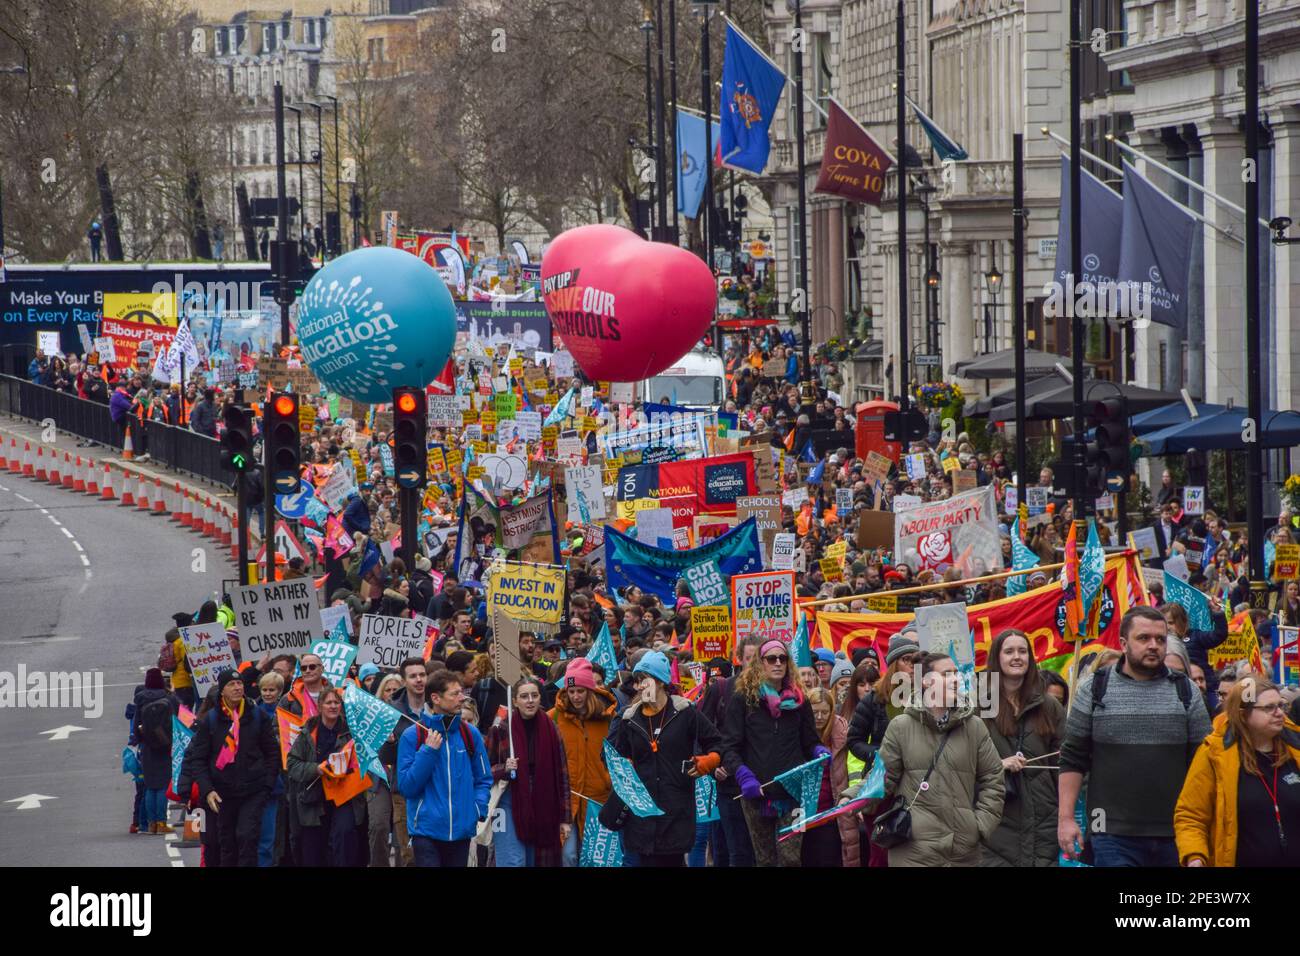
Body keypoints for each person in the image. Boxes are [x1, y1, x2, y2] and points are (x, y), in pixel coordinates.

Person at [1058, 606, 1213, 867]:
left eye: (1160, 639)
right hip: (1110, 832)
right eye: (1144, 638)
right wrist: (1066, 819)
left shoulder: (1185, 690)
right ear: (1123, 643)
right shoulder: (1095, 689)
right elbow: (1073, 758)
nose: (1153, 645)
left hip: (1176, 831)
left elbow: (1205, 762)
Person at [874, 652, 1006, 867]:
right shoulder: (901, 726)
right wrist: (851, 799)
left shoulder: (974, 727)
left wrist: (980, 826)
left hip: (963, 853)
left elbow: (994, 778)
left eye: (956, 674)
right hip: (914, 852)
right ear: (926, 681)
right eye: (946, 674)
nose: (956, 679)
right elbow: (881, 780)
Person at [602, 650, 724, 867]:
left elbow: (717, 742)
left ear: (660, 682)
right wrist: (623, 768)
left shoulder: (685, 712)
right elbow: (610, 755)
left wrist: (709, 761)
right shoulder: (629, 718)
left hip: (675, 809)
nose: (639, 687)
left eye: (644, 680)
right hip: (641, 812)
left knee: (673, 861)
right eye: (637, 681)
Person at [722, 639, 827, 867]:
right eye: (772, 658)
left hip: (793, 792)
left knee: (790, 858)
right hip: (756, 794)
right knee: (765, 860)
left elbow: (810, 741)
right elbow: (729, 747)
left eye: (783, 658)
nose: (778, 663)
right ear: (761, 663)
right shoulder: (743, 699)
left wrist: (818, 751)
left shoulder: (800, 701)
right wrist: (743, 776)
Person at [1175, 677, 1300, 866]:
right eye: (1269, 707)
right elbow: (1191, 816)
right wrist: (1194, 856)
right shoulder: (1214, 754)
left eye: (1281, 705)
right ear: (1243, 714)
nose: (1279, 713)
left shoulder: (1296, 748)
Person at [979, 629, 1063, 867]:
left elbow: (1065, 762)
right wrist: (998, 765)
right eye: (1009, 651)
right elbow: (963, 762)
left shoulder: (1049, 706)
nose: (1017, 657)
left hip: (1043, 819)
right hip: (996, 820)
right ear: (997, 657)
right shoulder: (979, 705)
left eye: (1022, 651)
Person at [396, 669, 493, 867]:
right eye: (455, 694)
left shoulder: (470, 734)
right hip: (425, 831)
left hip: (461, 829)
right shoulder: (412, 735)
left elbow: (483, 778)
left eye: (461, 692)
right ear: (436, 698)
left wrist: (476, 809)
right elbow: (406, 787)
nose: (462, 698)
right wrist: (428, 752)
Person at [186, 669, 280, 867]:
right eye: (231, 685)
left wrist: (266, 786)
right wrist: (208, 790)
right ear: (222, 691)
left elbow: (272, 753)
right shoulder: (210, 720)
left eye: (239, 684)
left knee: (246, 837)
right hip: (221, 794)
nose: (237, 688)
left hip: (253, 791)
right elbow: (198, 759)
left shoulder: (257, 716)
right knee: (225, 844)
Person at [486, 676, 572, 867]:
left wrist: (565, 819)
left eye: (534, 695)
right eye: (524, 696)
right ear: (515, 701)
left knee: (537, 861)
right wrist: (503, 768)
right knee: (513, 862)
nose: (530, 700)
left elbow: (562, 776)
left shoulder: (552, 728)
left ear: (540, 698)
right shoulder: (501, 728)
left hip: (543, 802)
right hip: (508, 800)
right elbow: (482, 773)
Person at [285, 685, 368, 867]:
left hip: (344, 796)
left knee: (344, 838)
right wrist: (316, 769)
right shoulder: (307, 733)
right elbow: (292, 765)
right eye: (328, 702)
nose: (333, 706)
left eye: (336, 702)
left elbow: (365, 760)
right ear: (320, 705)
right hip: (315, 798)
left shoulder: (352, 731)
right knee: (315, 849)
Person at [549, 657, 616, 860]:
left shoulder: (609, 718)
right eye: (571, 691)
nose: (576, 696)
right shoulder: (554, 717)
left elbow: (620, 755)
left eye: (581, 691)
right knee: (568, 855)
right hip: (566, 801)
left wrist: (609, 780)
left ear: (590, 690)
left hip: (598, 800)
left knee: (594, 858)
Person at [806, 686, 856, 867]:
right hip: (804, 813)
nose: (819, 717)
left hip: (831, 812)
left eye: (824, 712)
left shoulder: (841, 735)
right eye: (815, 712)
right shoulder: (798, 733)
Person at [132, 668, 177, 835]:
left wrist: (141, 739)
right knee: (163, 785)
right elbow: (177, 720)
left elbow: (136, 726)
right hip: (165, 745)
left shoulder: (140, 700)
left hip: (147, 747)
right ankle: (162, 822)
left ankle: (151, 824)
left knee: (150, 786)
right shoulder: (168, 698)